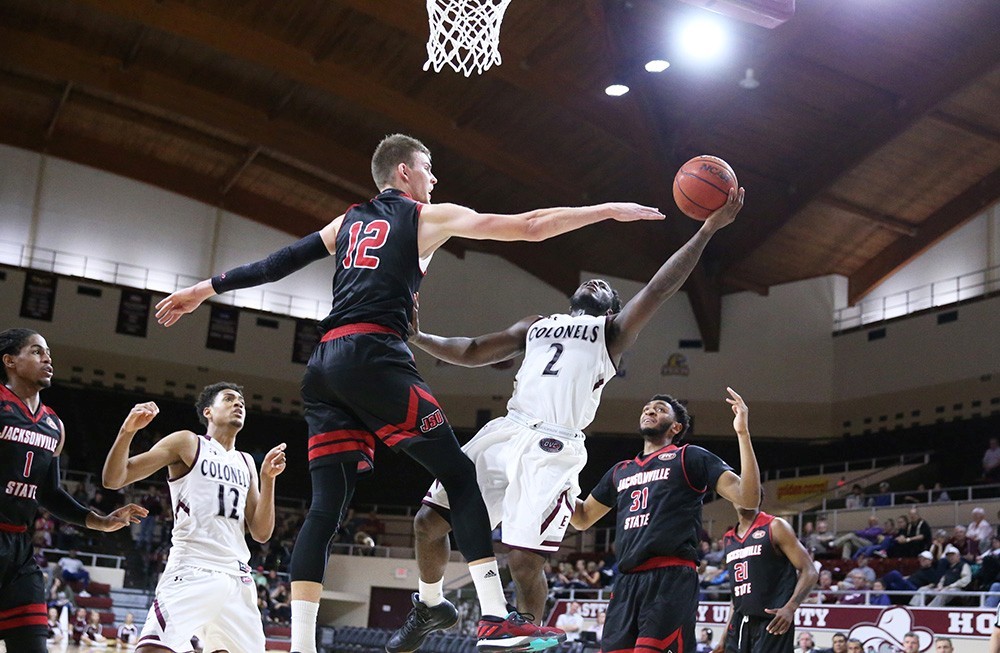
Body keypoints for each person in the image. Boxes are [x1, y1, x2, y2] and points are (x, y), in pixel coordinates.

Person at [153, 133, 665, 653]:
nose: (434, 178)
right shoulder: (425, 217)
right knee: (460, 473)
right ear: (403, 172)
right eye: (428, 168)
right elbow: (529, 227)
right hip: (374, 355)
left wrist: (203, 289)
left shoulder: (347, 221)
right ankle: (492, 615)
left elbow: (278, 262)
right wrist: (605, 210)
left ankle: (303, 645)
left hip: (323, 363)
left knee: (325, 509)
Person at [394, 187, 744, 648]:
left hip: (553, 446)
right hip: (506, 430)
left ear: (614, 309)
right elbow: (474, 350)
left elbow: (660, 286)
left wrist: (707, 229)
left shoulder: (611, 334)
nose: (597, 284)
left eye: (608, 290)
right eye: (592, 284)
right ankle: (431, 605)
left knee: (522, 559)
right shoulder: (537, 324)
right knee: (427, 522)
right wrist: (419, 337)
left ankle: (528, 637)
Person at [570, 388, 761, 653]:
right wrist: (555, 482)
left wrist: (742, 433)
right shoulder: (620, 471)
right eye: (647, 408)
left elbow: (749, 498)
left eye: (659, 409)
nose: (650, 411)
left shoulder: (690, 457)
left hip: (670, 577)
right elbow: (581, 518)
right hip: (626, 583)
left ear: (675, 427)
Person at [101, 383, 288, 653]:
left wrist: (267, 479)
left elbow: (261, 533)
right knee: (152, 649)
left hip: (237, 577)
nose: (239, 404)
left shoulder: (246, 462)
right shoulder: (187, 443)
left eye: (242, 402)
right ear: (208, 411)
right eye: (229, 399)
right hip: (192, 567)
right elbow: (113, 478)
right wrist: (127, 431)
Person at [0, 328, 147, 653]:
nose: (47, 358)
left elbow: (50, 493)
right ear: (10, 360)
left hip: (20, 552)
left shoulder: (54, 424)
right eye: (36, 351)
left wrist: (102, 521)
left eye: (48, 351)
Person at [716, 492, 818, 653]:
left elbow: (810, 570)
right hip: (739, 624)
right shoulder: (729, 539)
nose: (740, 496)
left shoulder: (775, 526)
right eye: (737, 492)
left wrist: (791, 607)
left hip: (772, 623)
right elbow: (736, 596)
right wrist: (723, 638)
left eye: (747, 491)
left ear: (757, 497)